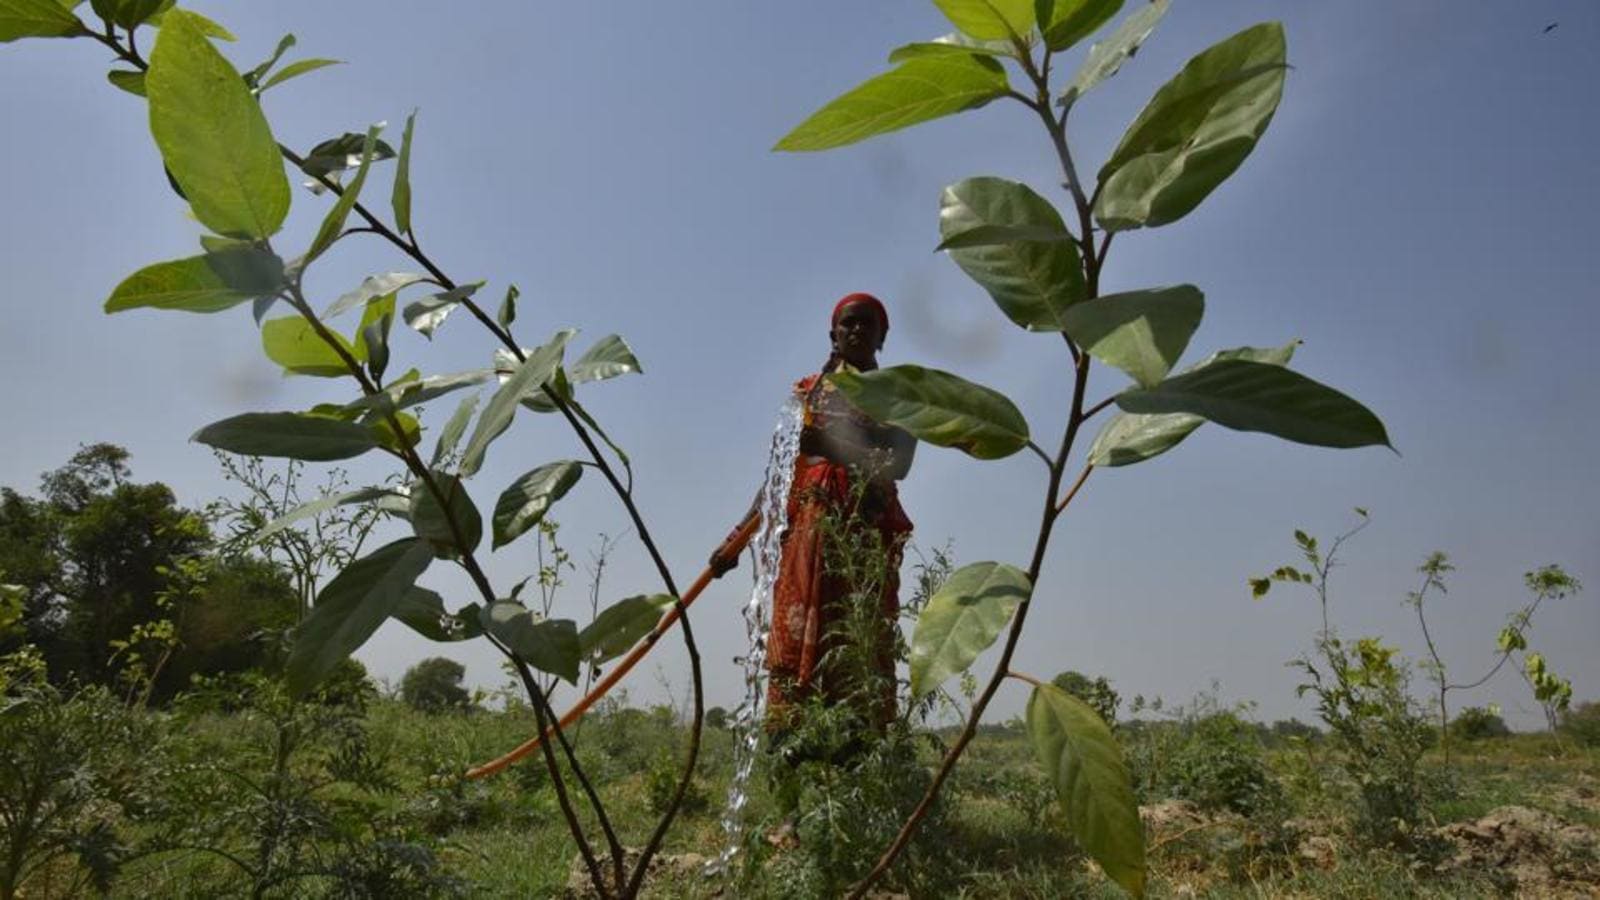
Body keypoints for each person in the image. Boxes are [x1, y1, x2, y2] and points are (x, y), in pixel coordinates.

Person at [710, 292, 916, 733]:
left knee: (859, 636)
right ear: (833, 335)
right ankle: (792, 751)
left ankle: (861, 748)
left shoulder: (901, 397)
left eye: (867, 325)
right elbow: (778, 476)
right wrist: (735, 542)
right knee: (797, 634)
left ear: (883, 338)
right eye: (849, 324)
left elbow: (900, 463)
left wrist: (828, 446)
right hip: (806, 535)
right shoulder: (806, 393)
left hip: (864, 536)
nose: (857, 330)